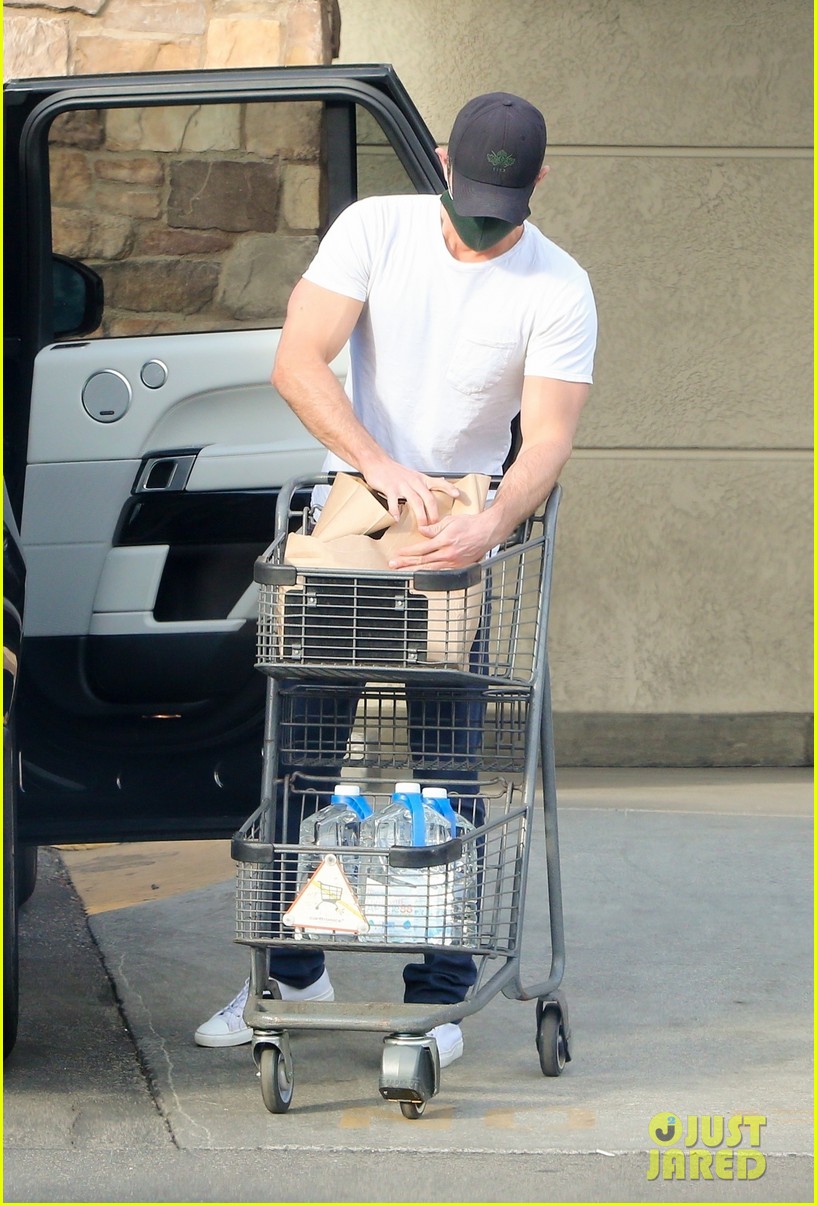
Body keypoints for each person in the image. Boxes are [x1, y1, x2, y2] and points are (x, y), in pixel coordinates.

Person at [195, 91, 597, 1065]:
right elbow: (299, 359)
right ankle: (289, 973)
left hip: (463, 515)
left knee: (444, 773)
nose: (481, 228)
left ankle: (440, 997)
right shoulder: (375, 228)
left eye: (504, 207)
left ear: (537, 183)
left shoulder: (559, 286)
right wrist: (374, 461)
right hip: (359, 504)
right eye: (470, 201)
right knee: (304, 758)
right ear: (439, 159)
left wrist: (490, 522)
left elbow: (546, 436)